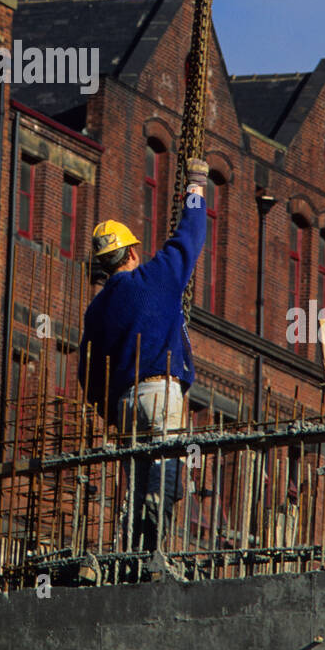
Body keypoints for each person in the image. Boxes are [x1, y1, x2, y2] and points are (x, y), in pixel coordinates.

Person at [78, 157, 208, 554]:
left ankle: (133, 547)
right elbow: (191, 235)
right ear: (132, 252)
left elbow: (87, 374)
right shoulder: (156, 277)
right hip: (160, 392)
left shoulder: (96, 311)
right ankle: (152, 542)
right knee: (165, 473)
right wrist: (196, 186)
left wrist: (110, 407)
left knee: (134, 482)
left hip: (124, 405)